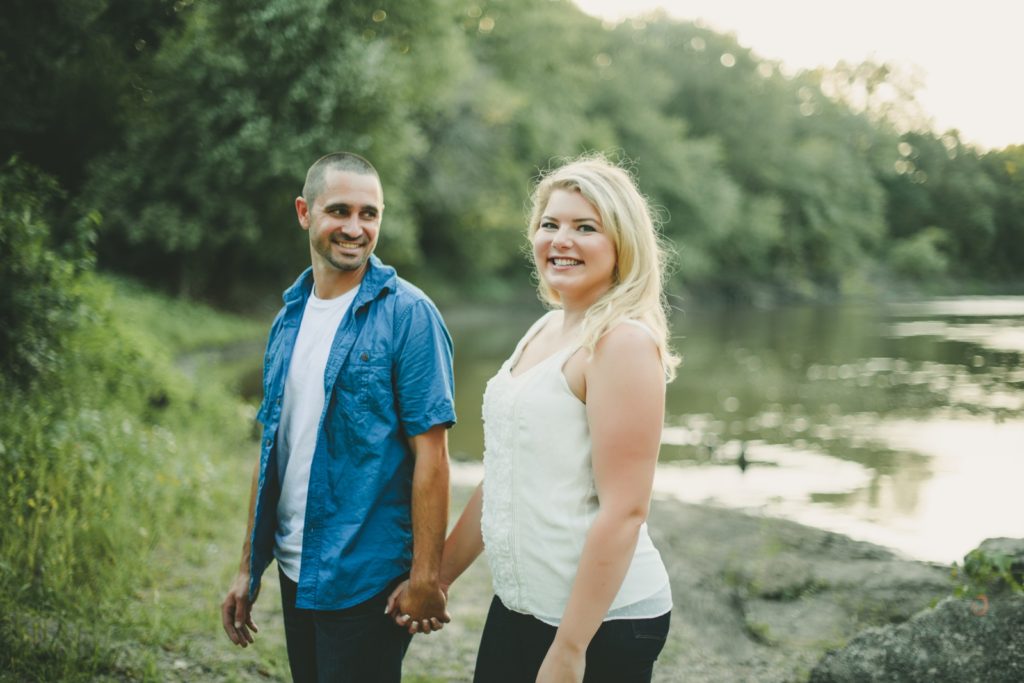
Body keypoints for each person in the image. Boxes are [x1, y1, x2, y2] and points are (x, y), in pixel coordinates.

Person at [387, 154, 680, 682]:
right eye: (551, 224)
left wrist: (570, 650)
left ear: (622, 245)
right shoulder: (544, 329)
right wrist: (435, 579)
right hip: (522, 605)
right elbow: (505, 476)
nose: (560, 239)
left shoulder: (623, 343)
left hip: (600, 623)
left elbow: (626, 512)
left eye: (584, 227)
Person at [220, 152, 456, 683]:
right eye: (340, 211)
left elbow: (433, 457)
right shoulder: (287, 319)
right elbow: (272, 449)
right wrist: (247, 568)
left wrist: (425, 576)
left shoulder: (409, 315)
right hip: (295, 566)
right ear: (305, 212)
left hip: (366, 576)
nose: (355, 228)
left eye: (369, 214)